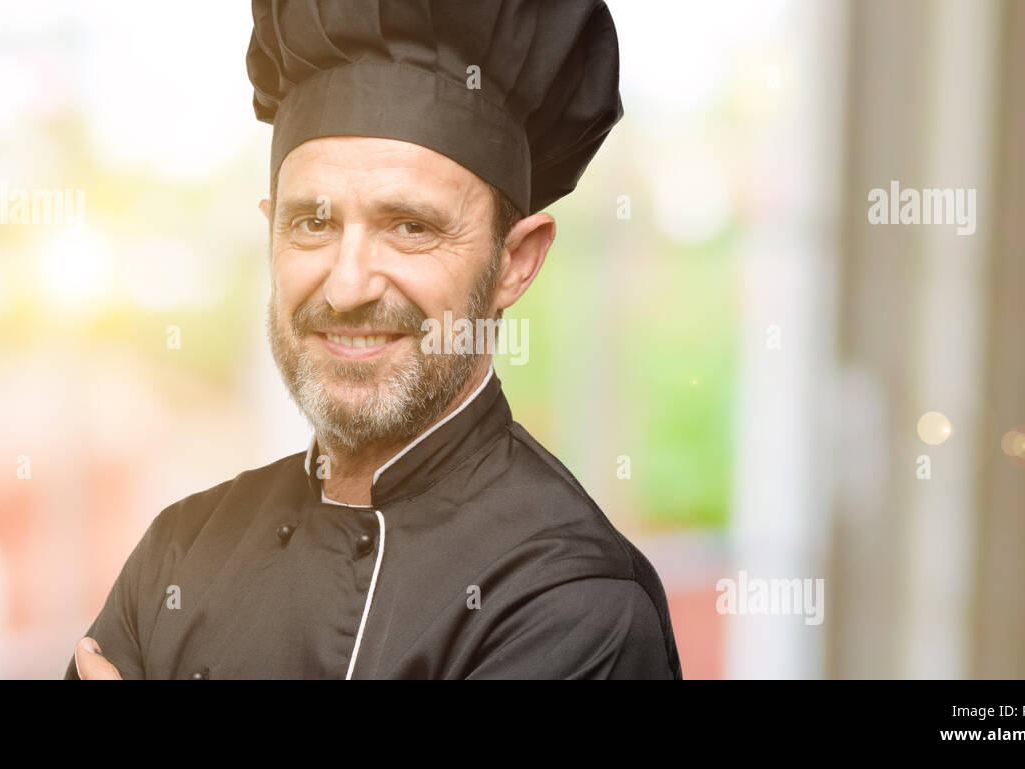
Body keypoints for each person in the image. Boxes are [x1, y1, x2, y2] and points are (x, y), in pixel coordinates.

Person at [66, 0, 681, 680]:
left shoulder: (576, 606)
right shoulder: (180, 551)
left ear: (515, 262)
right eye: (312, 224)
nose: (347, 286)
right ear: (271, 232)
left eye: (410, 226)